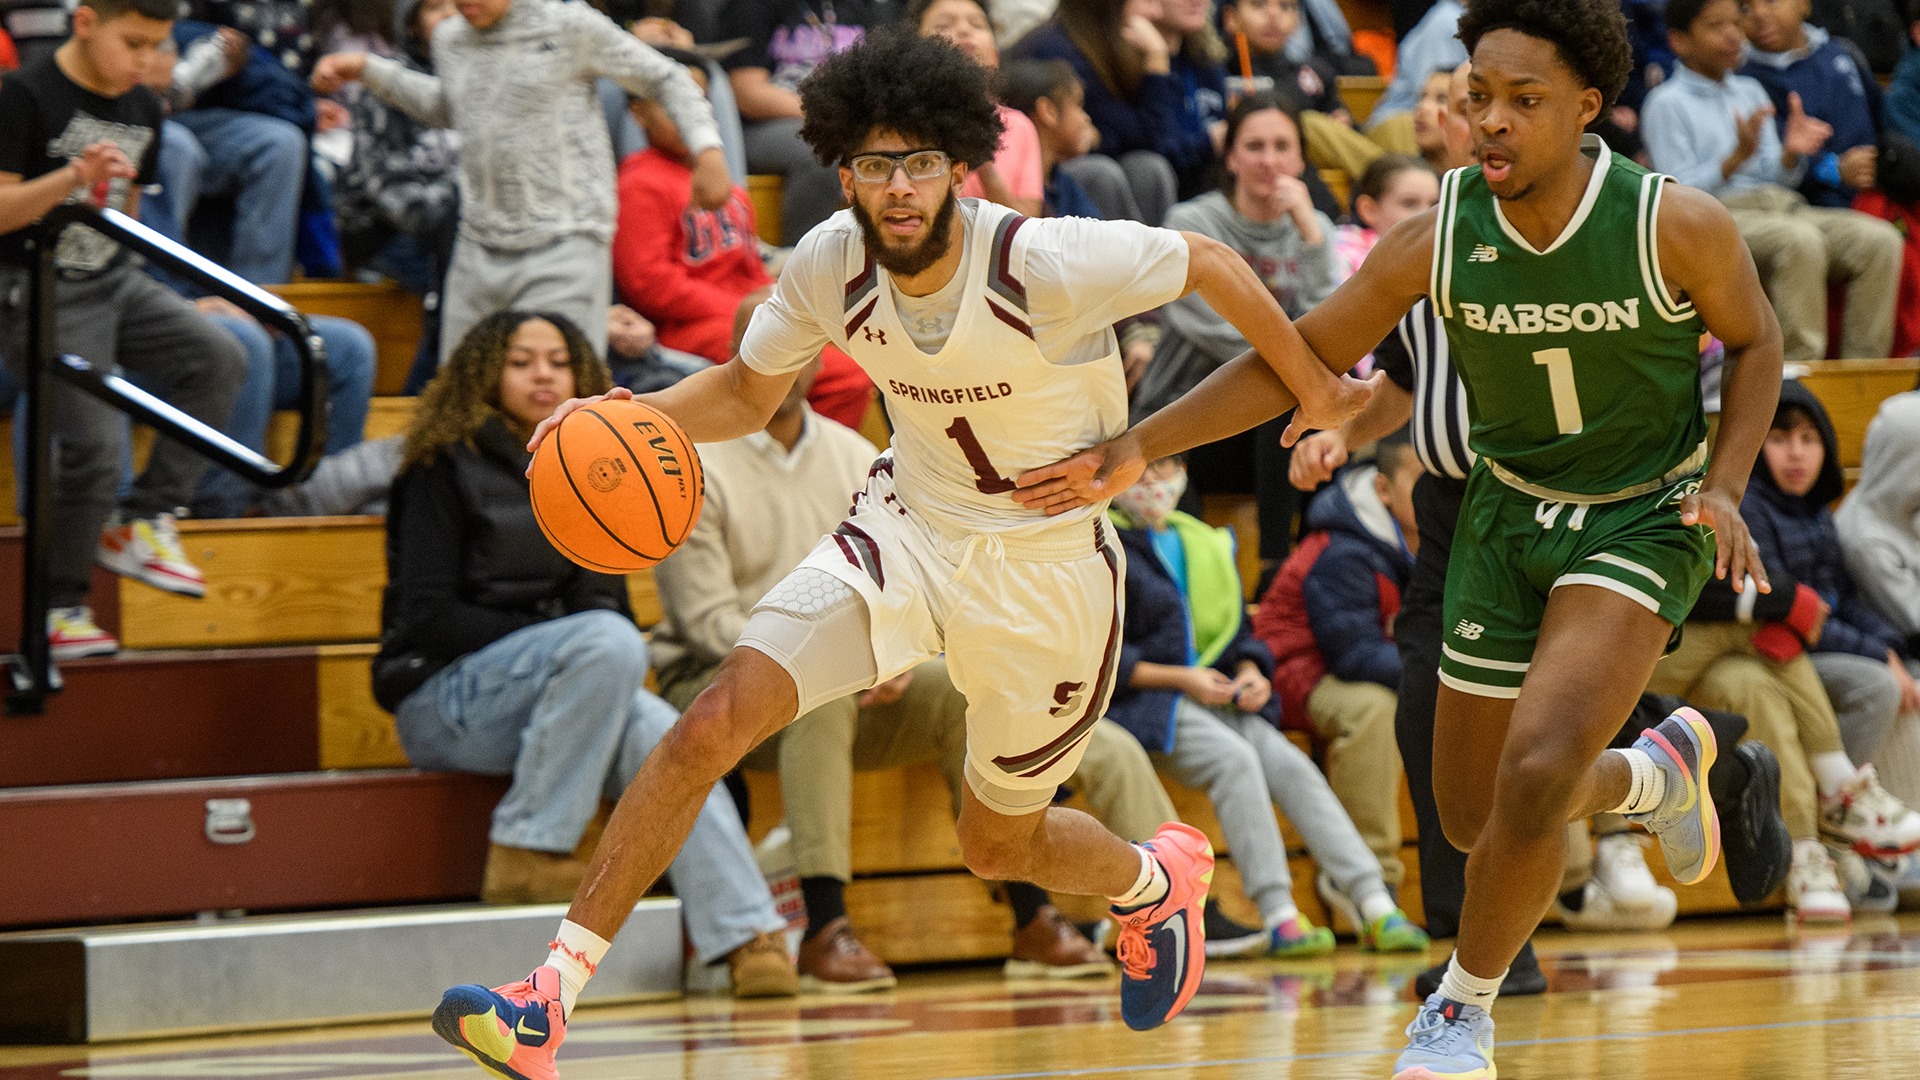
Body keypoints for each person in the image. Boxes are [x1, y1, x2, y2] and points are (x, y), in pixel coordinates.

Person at [426, 28, 1370, 1080]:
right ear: (844, 171)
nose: (900, 185)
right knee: (709, 722)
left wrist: (1315, 388)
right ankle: (545, 1000)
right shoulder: (831, 259)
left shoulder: (1041, 261)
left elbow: (1211, 261)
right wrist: (625, 413)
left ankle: (1153, 884)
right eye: (875, 164)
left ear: (960, 164)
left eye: (921, 160)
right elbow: (745, 392)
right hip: (906, 529)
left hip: (1047, 574)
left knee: (996, 846)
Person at [1014, 0, 1792, 1073]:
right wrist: (1136, 445)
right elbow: (1303, 361)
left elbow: (1757, 340)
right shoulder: (1434, 235)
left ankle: (1458, 1011)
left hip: (1640, 515)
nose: (1494, 122)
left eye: (1525, 101)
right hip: (1499, 511)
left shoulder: (1672, 223)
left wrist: (1729, 485)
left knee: (1535, 771)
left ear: (1588, 108)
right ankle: (1656, 774)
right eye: (1480, 97)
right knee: (1476, 818)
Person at [652, 357, 1163, 988]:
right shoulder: (695, 467)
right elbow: (705, 623)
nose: (780, 365)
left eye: (794, 352)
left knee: (955, 692)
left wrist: (890, 655)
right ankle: (824, 927)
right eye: (760, 351)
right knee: (818, 693)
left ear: (813, 360)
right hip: (716, 681)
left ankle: (1033, 920)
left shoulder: (853, 453)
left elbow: (910, 578)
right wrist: (838, 656)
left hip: (860, 671)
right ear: (738, 362)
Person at [374, 310, 797, 999]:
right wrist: (553, 644)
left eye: (558, 361)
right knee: (602, 645)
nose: (543, 373)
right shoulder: (438, 467)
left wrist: (567, 653)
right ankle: (529, 845)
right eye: (521, 361)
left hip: (565, 698)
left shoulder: (599, 468)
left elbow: (608, 611)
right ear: (483, 375)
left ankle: (749, 936)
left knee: (664, 732)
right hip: (444, 701)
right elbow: (429, 619)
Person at [0, 0, 245, 658]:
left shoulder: (142, 106)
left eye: (158, 46)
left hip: (113, 278)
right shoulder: (23, 95)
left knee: (220, 358)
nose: (146, 61)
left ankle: (142, 521)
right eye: (132, 42)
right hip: (36, 285)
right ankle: (59, 603)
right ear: (84, 22)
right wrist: (74, 178)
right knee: (97, 449)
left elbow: (129, 208)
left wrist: (155, 293)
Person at [1108, 453, 1428, 957]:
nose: (1152, 480)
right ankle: (1279, 913)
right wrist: (1184, 678)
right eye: (1140, 468)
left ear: (1184, 472)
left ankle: (1373, 902)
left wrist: (1252, 672)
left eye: (1164, 466)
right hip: (1146, 700)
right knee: (1235, 762)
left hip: (1218, 697)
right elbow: (1100, 656)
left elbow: (1240, 636)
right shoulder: (1099, 544)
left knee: (1291, 765)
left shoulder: (1202, 539)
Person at [308, 0, 729, 364]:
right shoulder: (451, 38)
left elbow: (666, 77)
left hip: (566, 243)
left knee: (559, 403)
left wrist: (707, 147)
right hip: (478, 245)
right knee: (461, 399)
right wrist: (368, 70)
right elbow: (454, 106)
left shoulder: (571, 26)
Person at [1131, 91, 1337, 573]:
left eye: (1283, 146)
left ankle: (1276, 569)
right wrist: (1298, 356)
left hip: (1272, 431)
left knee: (1301, 407)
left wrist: (1311, 236)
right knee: (1281, 380)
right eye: (1255, 146)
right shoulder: (1192, 224)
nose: (1270, 161)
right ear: (1231, 156)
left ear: (1302, 158)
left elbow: (1331, 333)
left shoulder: (1316, 229)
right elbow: (1213, 332)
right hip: (1184, 417)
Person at [1640, 0, 1900, 364]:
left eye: (1735, 22)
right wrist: (1734, 159)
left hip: (1781, 204)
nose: (1734, 34)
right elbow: (1677, 196)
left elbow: (1776, 175)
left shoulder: (1748, 90)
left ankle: (1860, 374)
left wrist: (1790, 154)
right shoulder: (1666, 103)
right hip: (1721, 218)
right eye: (1717, 26)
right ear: (1679, 41)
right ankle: (1798, 377)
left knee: (1879, 240)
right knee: (1799, 243)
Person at [1254, 436, 1419, 892]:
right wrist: (1436, 675)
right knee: (1372, 709)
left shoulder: (1430, 542)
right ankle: (1366, 877)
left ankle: (1567, 881)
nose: (1436, 495)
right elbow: (1354, 655)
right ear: (1383, 490)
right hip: (1288, 672)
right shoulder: (1342, 546)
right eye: (1421, 481)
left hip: (1356, 668)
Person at [612, 45, 773, 365]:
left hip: (743, 316)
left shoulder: (719, 177)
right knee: (843, 376)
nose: (689, 113)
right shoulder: (639, 183)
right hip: (687, 329)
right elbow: (651, 285)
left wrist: (772, 301)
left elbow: (751, 267)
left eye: (700, 100)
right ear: (639, 113)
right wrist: (743, 310)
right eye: (673, 104)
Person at [717, 0, 892, 245]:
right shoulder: (751, 6)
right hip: (767, 126)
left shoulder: (867, 7)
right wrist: (832, 117)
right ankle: (803, 263)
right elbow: (748, 93)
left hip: (847, 123)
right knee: (819, 153)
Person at [912, 0, 1044, 217]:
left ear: (995, 56)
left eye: (977, 25)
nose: (964, 30)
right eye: (943, 26)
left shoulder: (1019, 126)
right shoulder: (896, 121)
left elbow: (1028, 227)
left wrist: (982, 159)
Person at [998, 57, 1104, 219]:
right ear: (1048, 111)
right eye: (1077, 105)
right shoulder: (1008, 185)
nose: (1086, 118)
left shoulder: (1061, 183)